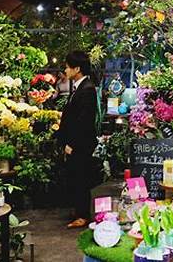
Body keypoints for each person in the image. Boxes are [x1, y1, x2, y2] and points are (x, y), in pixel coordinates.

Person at [55, 51, 98, 228]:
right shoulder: (80, 87)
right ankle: (78, 211)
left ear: (77, 68)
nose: (65, 70)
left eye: (67, 66)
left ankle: (83, 215)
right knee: (75, 176)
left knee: (81, 178)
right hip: (77, 143)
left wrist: (72, 144)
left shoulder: (87, 89)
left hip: (80, 144)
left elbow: (84, 122)